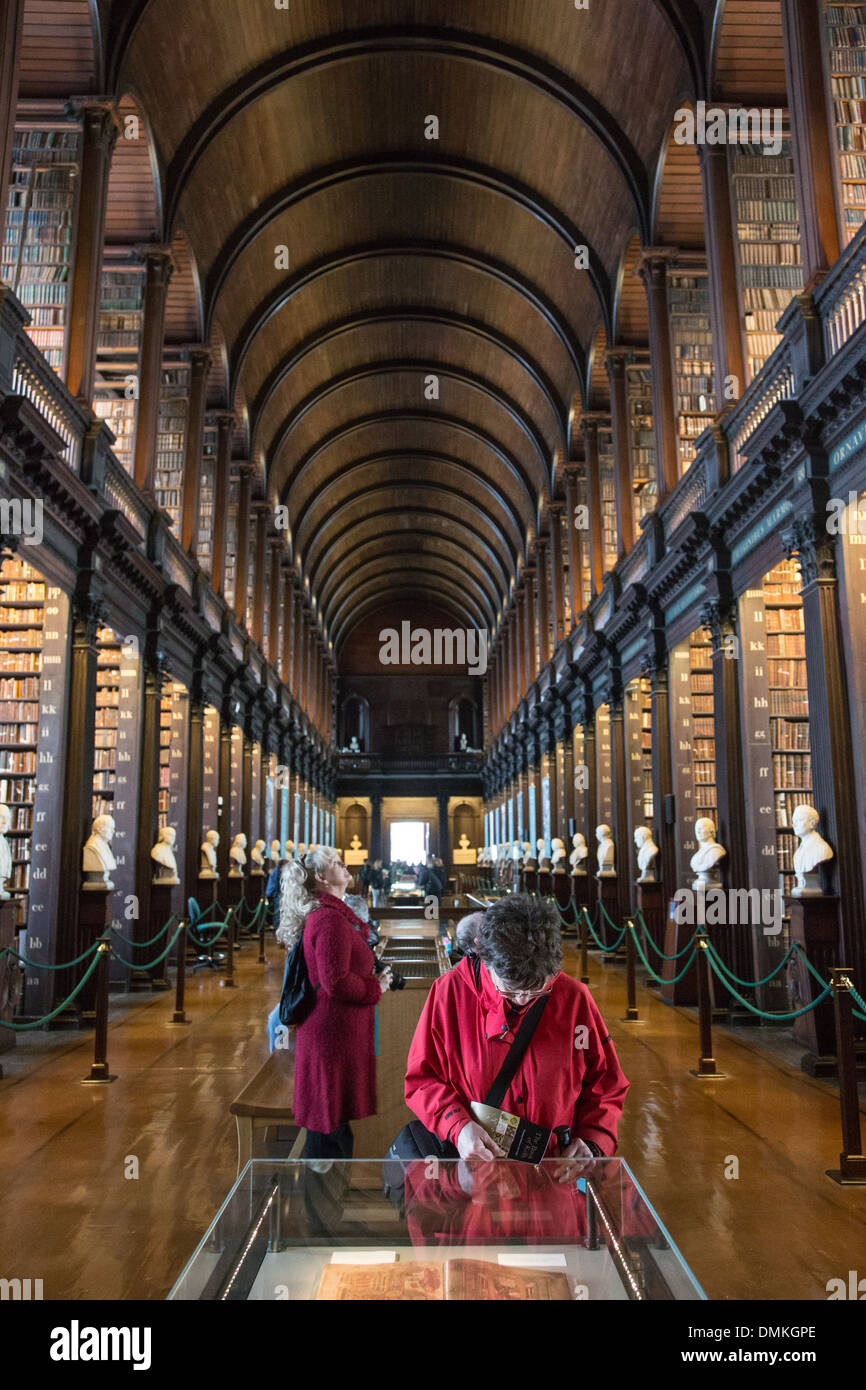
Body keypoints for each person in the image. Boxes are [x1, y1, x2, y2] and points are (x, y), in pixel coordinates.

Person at [404, 894, 629, 1164]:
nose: (522, 999)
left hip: (553, 1169)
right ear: (483, 956)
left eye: (536, 990)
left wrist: (593, 1140)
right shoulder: (449, 993)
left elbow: (605, 1083)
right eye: (509, 989)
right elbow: (422, 1081)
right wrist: (458, 1127)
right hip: (478, 1167)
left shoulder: (574, 998)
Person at [277, 846, 392, 1158]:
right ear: (320, 877)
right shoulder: (329, 920)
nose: (344, 866)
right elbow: (336, 981)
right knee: (328, 1132)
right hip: (330, 1037)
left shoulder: (334, 914)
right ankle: (321, 1205)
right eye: (335, 864)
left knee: (335, 1128)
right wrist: (375, 986)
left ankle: (327, 1202)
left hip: (335, 1035)